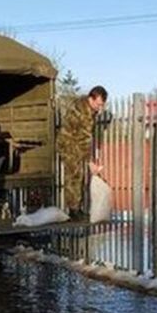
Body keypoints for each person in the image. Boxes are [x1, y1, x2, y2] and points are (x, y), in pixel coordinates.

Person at [57, 85, 107, 221]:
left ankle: (76, 208)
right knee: (74, 176)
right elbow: (84, 139)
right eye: (98, 104)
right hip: (69, 145)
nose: (99, 108)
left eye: (101, 105)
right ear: (91, 98)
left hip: (74, 144)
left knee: (78, 176)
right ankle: (73, 210)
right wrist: (89, 162)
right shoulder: (83, 112)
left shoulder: (87, 107)